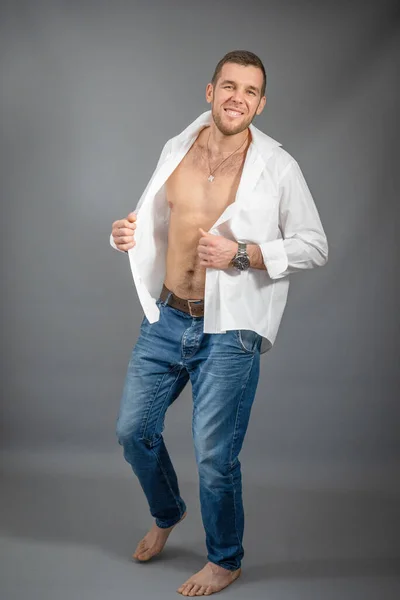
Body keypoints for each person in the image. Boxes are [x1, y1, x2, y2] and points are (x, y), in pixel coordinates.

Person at [110, 50, 328, 596]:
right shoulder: (176, 148)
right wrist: (126, 235)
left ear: (261, 103)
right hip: (166, 315)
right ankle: (168, 512)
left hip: (229, 331)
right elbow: (161, 221)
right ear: (210, 92)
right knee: (133, 432)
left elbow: (314, 246)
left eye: (250, 91)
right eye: (229, 86)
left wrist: (241, 255)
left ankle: (225, 559)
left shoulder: (278, 165)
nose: (238, 98)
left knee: (214, 456)